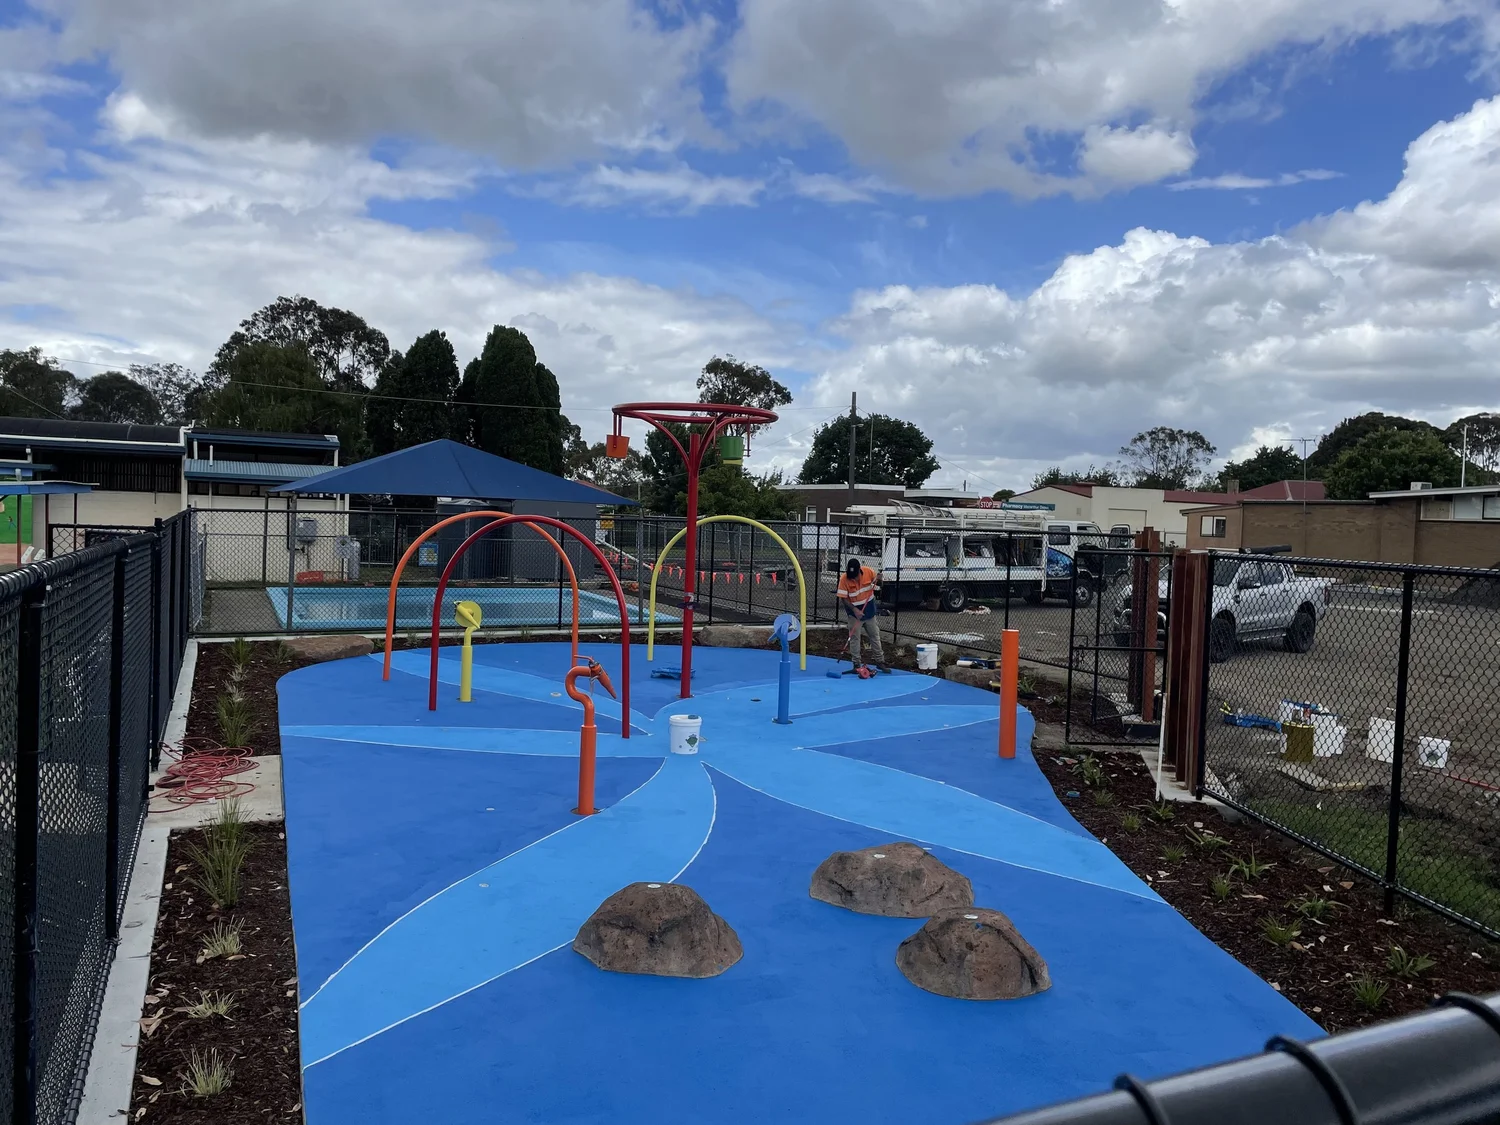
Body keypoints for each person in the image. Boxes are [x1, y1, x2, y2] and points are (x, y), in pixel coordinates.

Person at [836, 557, 887, 670]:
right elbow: (844, 599)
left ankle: (880, 661)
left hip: (869, 611)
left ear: (860, 570)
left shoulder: (869, 572)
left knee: (875, 636)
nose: (853, 577)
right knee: (854, 638)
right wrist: (855, 610)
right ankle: (856, 663)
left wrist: (879, 580)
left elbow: (880, 584)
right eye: (851, 575)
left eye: (855, 575)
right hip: (854, 614)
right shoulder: (844, 578)